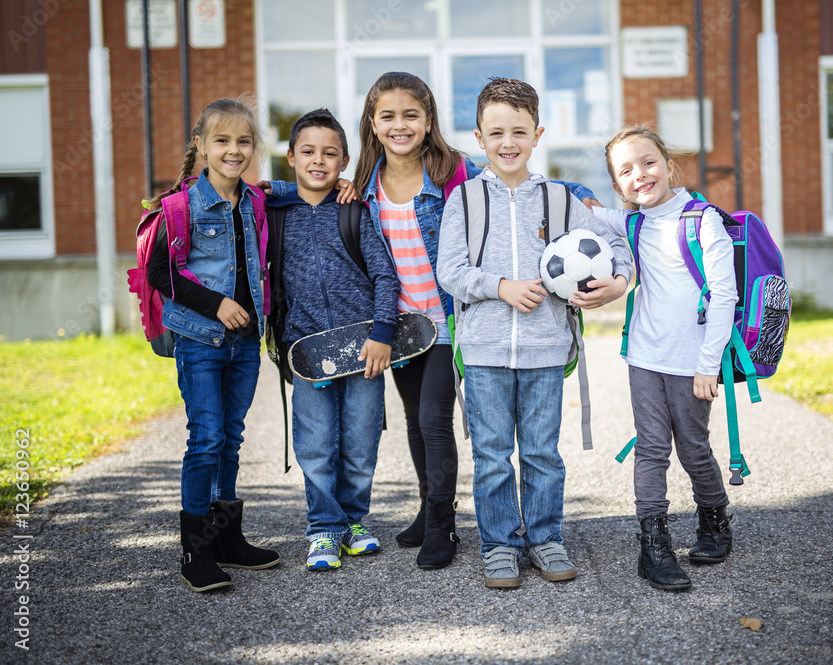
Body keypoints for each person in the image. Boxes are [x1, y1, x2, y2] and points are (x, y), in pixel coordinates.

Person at [275, 71, 597, 570]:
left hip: (449, 317)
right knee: (413, 421)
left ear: (428, 122)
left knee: (433, 419)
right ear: (373, 123)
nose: (399, 125)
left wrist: (579, 189)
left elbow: (511, 175)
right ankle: (429, 509)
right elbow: (292, 188)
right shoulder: (361, 182)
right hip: (400, 327)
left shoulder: (454, 173)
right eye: (388, 116)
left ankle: (443, 521)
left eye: (411, 115)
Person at [436, 77, 633, 588]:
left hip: (547, 348)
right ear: (479, 138)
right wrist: (501, 287)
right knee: (493, 454)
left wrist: (616, 284)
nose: (508, 142)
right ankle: (500, 544)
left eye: (519, 131)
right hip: (483, 352)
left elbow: (617, 246)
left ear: (537, 134)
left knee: (542, 452)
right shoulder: (463, 201)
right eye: (496, 132)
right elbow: (450, 271)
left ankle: (545, 538)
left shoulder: (562, 200)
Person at [590, 124, 739, 591]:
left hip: (692, 363)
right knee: (651, 448)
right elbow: (584, 210)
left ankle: (715, 521)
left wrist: (708, 363)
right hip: (644, 357)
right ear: (619, 186)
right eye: (626, 171)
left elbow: (724, 295)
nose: (640, 175)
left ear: (669, 166)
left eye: (648, 162)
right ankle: (653, 544)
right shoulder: (631, 221)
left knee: (694, 448)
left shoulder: (700, 220)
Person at [148, 98, 280, 592]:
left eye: (243, 141)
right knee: (205, 438)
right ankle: (195, 552)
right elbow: (159, 273)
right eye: (222, 141)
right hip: (201, 339)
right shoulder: (179, 207)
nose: (234, 150)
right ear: (201, 146)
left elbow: (299, 187)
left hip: (244, 343)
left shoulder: (256, 201)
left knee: (231, 437)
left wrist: (342, 182)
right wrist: (216, 304)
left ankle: (229, 540)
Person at [266, 108, 400, 571]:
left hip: (365, 346)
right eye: (308, 152)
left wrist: (383, 333)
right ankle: (324, 529)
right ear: (290, 157)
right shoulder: (274, 212)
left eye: (329, 153)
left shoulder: (355, 211)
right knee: (317, 442)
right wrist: (277, 189)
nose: (318, 161)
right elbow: (250, 190)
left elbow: (385, 274)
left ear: (344, 162)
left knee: (361, 441)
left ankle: (354, 522)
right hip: (306, 350)